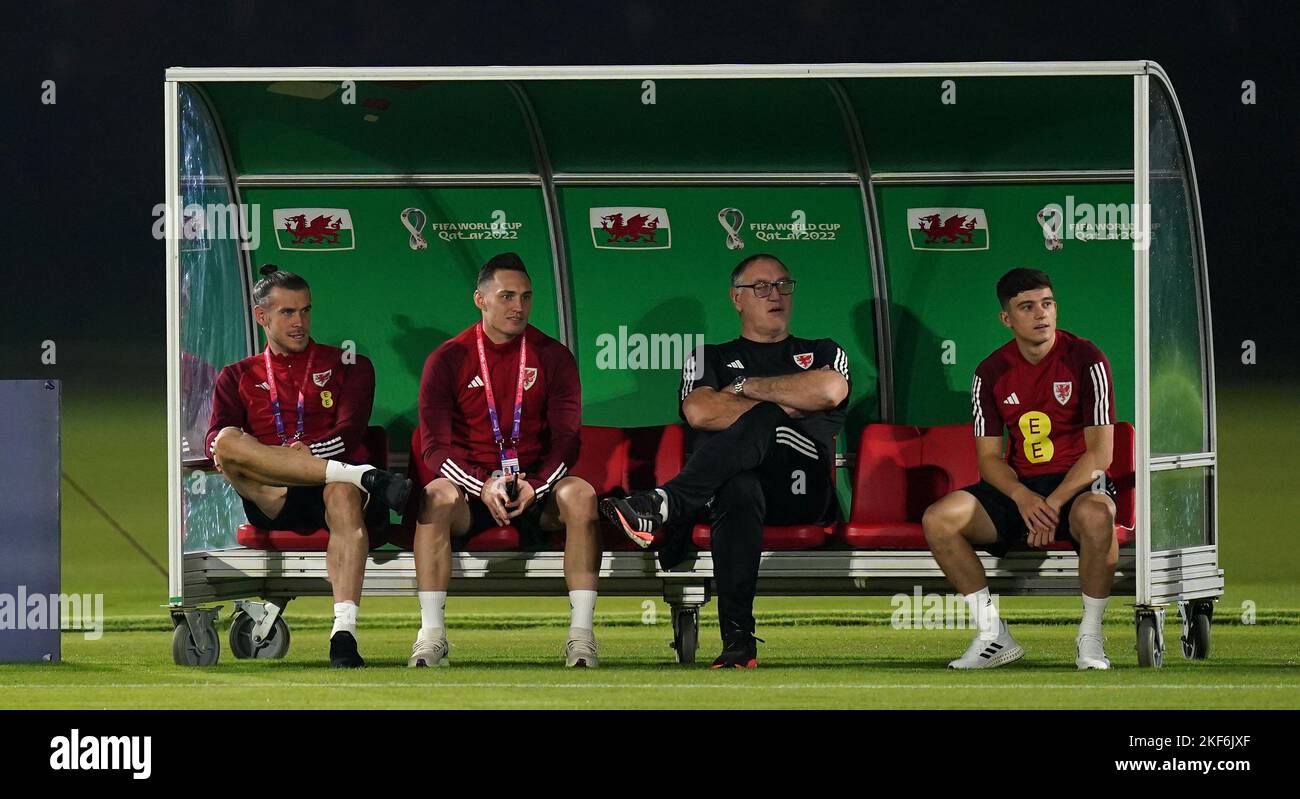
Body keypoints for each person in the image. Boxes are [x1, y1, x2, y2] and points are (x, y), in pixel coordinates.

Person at [601, 254, 850, 668]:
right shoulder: (707, 357)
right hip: (736, 491)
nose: (776, 295)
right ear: (737, 298)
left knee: (765, 415)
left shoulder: (822, 349)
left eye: (784, 285)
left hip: (802, 488)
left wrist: (746, 388)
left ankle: (664, 504)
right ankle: (738, 641)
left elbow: (827, 391)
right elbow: (700, 412)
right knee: (738, 485)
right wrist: (787, 399)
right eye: (762, 287)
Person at [206, 265, 412, 669]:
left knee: (342, 492)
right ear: (261, 316)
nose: (299, 322)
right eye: (287, 313)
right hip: (272, 496)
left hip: (332, 489)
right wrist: (280, 460)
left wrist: (300, 457)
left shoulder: (351, 365)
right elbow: (216, 444)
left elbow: (348, 436)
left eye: (305, 311)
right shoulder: (237, 376)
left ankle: (343, 633)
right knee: (227, 442)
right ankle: (364, 474)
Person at [922, 268, 1118, 670]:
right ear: (1006, 319)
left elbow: (1100, 454)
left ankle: (1091, 636)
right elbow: (989, 459)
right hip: (1020, 490)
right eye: (1026, 307)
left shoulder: (1086, 359)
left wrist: (1053, 503)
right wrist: (1023, 497)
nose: (1041, 314)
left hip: (1076, 486)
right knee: (939, 519)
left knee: (1098, 515)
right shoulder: (990, 372)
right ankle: (993, 634)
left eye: (1047, 304)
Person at [411, 252, 601, 668]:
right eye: (507, 296)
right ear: (480, 299)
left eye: (526, 297)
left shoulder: (552, 356)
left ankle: (582, 637)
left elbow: (568, 441)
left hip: (537, 492)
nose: (519, 307)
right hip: (472, 495)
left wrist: (537, 485)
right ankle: (431, 636)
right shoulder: (447, 358)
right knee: (434, 496)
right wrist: (483, 485)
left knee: (582, 495)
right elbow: (434, 447)